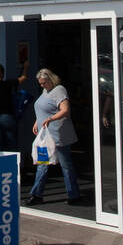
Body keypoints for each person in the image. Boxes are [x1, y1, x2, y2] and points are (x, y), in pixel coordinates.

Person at [28, 68, 82, 206]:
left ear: (50, 80)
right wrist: (37, 122)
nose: (42, 86)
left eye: (44, 83)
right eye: (40, 83)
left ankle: (73, 193)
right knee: (42, 165)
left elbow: (65, 110)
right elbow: (42, 109)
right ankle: (36, 194)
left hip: (58, 134)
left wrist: (50, 119)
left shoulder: (59, 90)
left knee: (65, 164)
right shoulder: (45, 91)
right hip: (45, 136)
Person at [0, 61, 29, 152]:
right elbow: (23, 78)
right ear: (2, 73)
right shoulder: (8, 83)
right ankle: (12, 164)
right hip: (7, 116)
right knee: (11, 143)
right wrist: (25, 67)